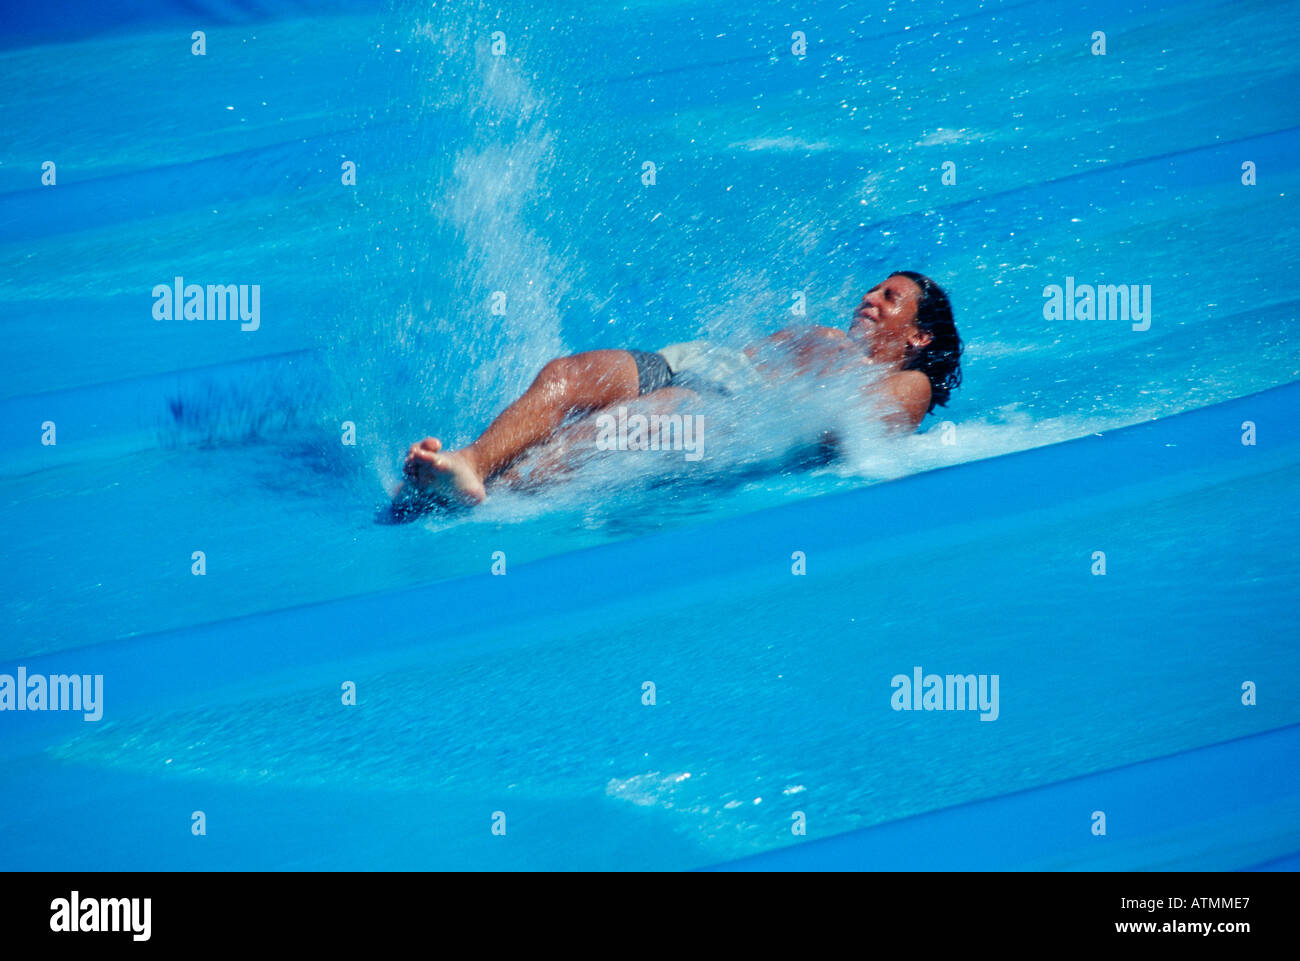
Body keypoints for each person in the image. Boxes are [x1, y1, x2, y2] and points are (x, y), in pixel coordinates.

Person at [392, 270, 961, 514]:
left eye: (889, 298)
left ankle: (481, 497)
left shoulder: (908, 382)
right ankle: (472, 461)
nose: (869, 298)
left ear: (919, 336)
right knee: (569, 373)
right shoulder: (829, 338)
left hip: (730, 410)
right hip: (697, 363)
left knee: (599, 436)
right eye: (873, 289)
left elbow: (860, 431)